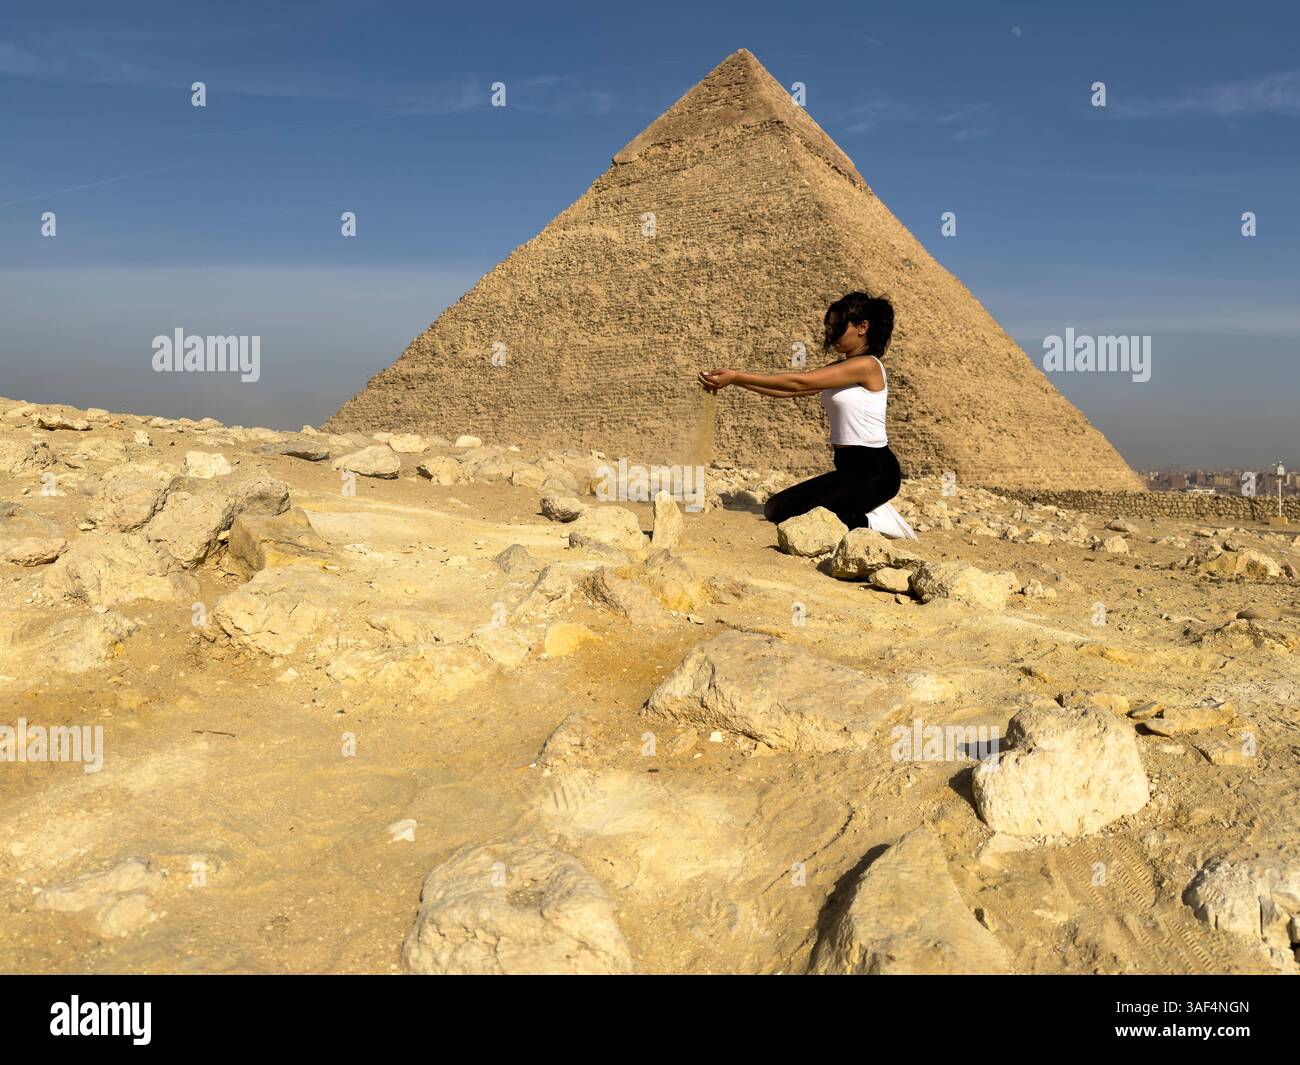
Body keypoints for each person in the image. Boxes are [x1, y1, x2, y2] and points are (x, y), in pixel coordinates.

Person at [698, 290, 915, 538]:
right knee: (775, 508)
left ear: (862, 327)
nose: (831, 335)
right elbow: (788, 391)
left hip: (874, 471)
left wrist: (738, 375)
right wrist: (734, 382)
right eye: (830, 327)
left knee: (803, 515)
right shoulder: (842, 367)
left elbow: (799, 382)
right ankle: (866, 509)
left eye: (838, 327)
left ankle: (882, 525)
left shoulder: (867, 366)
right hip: (848, 468)